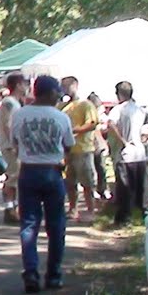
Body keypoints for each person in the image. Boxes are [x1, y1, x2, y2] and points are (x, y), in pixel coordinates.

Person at [10, 75, 75, 294]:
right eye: (57, 92)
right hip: (52, 171)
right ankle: (54, 275)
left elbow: (15, 143)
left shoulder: (19, 115)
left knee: (29, 225)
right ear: (48, 93)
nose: (59, 96)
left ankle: (31, 273)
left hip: (28, 171)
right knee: (56, 225)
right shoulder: (61, 117)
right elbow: (68, 146)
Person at [107, 81, 148, 226]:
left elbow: (111, 123)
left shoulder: (119, 109)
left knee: (124, 188)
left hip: (125, 153)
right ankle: (143, 214)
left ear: (119, 94)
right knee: (140, 186)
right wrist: (146, 137)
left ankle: (124, 218)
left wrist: (122, 140)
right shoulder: (139, 110)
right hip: (139, 152)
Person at [59, 76, 100, 221]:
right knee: (70, 183)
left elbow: (93, 123)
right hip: (66, 150)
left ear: (75, 85)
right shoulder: (61, 106)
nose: (64, 89)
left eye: (67, 86)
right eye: (62, 86)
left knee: (87, 183)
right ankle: (72, 209)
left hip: (83, 149)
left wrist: (75, 130)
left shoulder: (85, 105)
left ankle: (90, 210)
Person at [0, 73, 27, 223]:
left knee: (15, 177)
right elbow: (8, 125)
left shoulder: (15, 102)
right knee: (13, 177)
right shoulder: (9, 102)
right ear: (18, 85)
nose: (26, 87)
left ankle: (12, 208)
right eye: (24, 83)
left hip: (14, 145)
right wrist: (14, 144)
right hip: (10, 146)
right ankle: (9, 209)